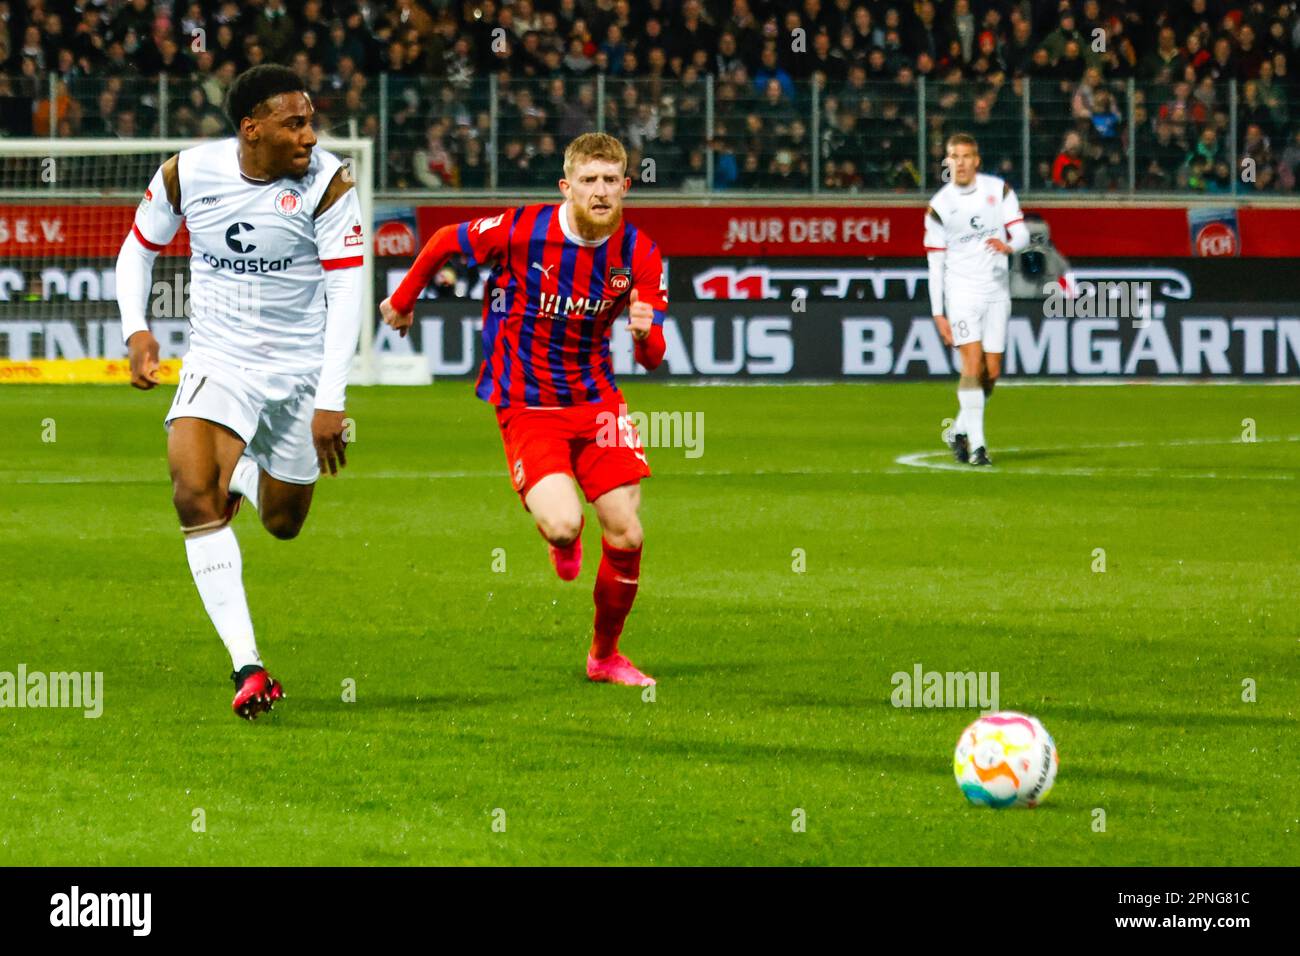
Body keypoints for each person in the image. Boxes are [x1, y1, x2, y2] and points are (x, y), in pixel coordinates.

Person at [115, 64, 364, 718]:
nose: (310, 135)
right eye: (295, 123)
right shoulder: (187, 172)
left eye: (311, 122)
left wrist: (330, 399)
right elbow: (137, 250)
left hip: (301, 370)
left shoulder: (330, 184)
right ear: (252, 129)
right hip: (220, 359)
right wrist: (137, 331)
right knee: (192, 488)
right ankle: (248, 667)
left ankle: (247, 475)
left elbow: (346, 291)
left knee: (283, 523)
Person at [381, 132, 666, 686]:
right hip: (527, 403)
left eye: (611, 181)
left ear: (627, 186)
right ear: (567, 187)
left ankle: (604, 657)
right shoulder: (522, 231)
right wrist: (402, 299)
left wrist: (645, 333)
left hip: (598, 401)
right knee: (564, 526)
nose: (601, 191)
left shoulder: (640, 254)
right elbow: (442, 241)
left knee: (628, 533)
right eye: (589, 180)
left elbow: (652, 359)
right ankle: (564, 539)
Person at [924, 133, 1029, 466]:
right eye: (954, 156)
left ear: (977, 159)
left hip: (997, 292)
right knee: (972, 364)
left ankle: (958, 429)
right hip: (962, 293)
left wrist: (1010, 246)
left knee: (992, 372)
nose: (960, 162)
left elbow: (1022, 232)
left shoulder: (999, 191)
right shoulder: (940, 206)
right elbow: (935, 265)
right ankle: (978, 446)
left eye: (966, 156)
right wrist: (938, 313)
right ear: (947, 161)